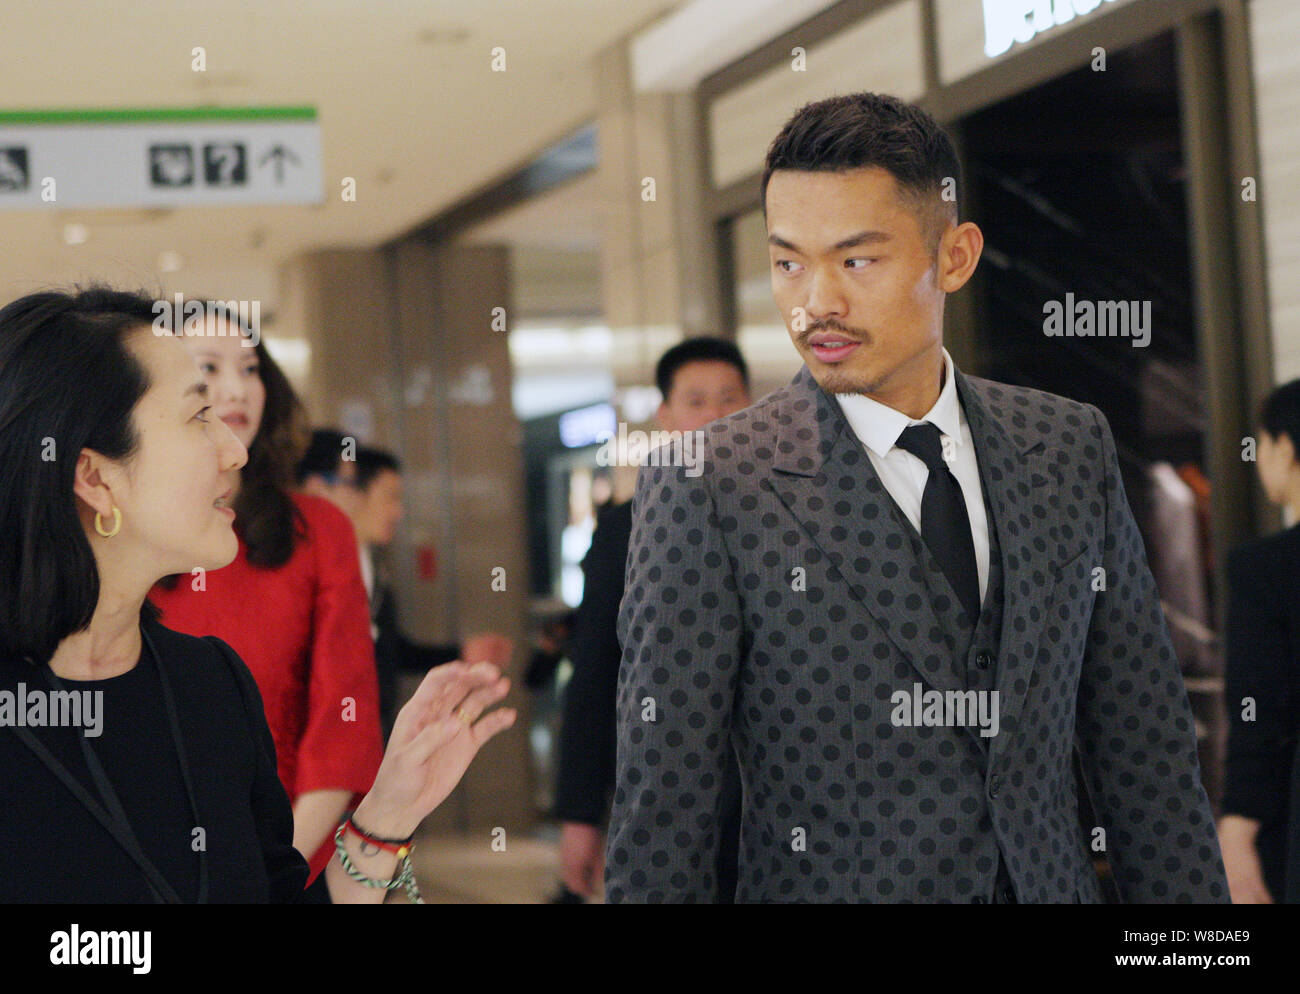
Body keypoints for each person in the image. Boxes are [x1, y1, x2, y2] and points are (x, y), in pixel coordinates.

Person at [605, 93, 1228, 903]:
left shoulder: (1068, 447)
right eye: (788, 261)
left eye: (857, 261)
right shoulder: (710, 482)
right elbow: (665, 810)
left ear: (957, 257)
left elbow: (1144, 752)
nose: (815, 302)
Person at [0, 287, 514, 902]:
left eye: (245, 375)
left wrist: (386, 815)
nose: (233, 448)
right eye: (198, 413)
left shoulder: (212, 684)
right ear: (94, 477)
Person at [148, 304, 384, 883]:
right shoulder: (132, 526)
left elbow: (343, 722)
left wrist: (275, 872)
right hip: (144, 847)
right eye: (209, 366)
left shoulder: (319, 528)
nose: (236, 388)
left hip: (289, 848)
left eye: (250, 368)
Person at [554, 337, 752, 901]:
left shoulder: (795, 516)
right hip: (670, 796)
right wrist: (579, 815)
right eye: (696, 400)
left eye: (729, 398)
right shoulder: (627, 528)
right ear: (665, 415)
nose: (715, 415)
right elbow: (595, 673)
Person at [299, 437, 513, 740]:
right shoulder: (313, 570)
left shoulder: (373, 567)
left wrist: (461, 653)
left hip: (372, 732)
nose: (398, 512)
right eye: (391, 497)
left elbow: (389, 650)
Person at [1219, 379, 1300, 903]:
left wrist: (1237, 829)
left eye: (1262, 444)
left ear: (1286, 447)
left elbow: (1261, 716)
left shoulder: (1266, 570)